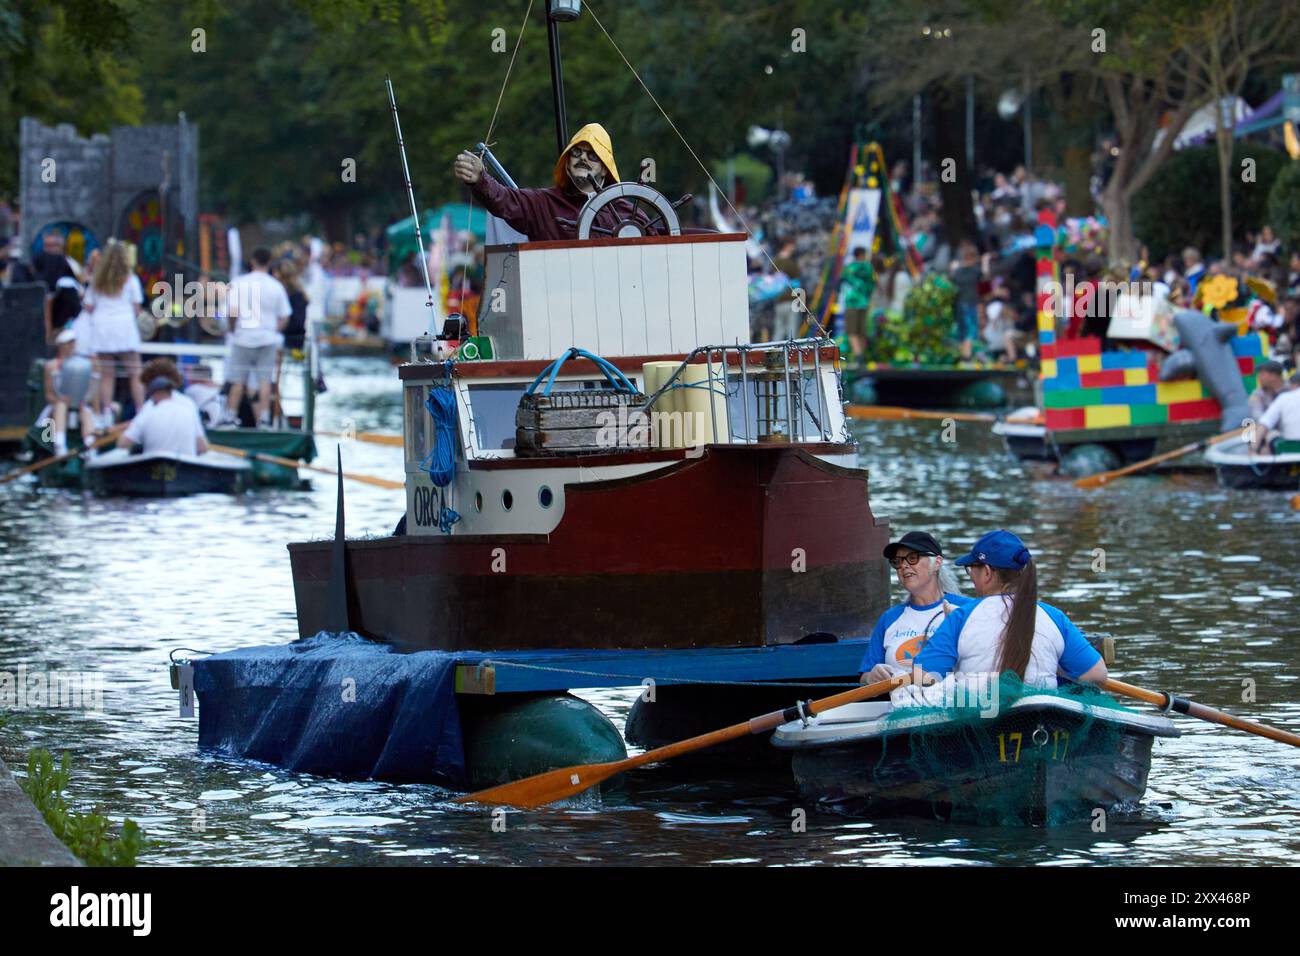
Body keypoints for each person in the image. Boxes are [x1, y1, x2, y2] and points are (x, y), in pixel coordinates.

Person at [911, 530, 1107, 689]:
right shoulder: (1053, 616)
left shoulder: (961, 617)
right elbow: (1096, 674)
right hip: (1045, 718)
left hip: (983, 721)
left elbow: (923, 677)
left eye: (971, 569)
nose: (970, 576)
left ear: (987, 572)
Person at [453, 124, 661, 242]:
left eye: (592, 155)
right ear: (567, 164)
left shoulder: (628, 213)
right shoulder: (542, 204)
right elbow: (505, 199)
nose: (583, 159)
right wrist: (481, 180)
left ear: (605, 167)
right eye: (576, 153)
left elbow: (663, 248)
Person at [859, 532, 973, 683]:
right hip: (901, 703)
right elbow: (864, 677)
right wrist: (870, 677)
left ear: (937, 563)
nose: (904, 566)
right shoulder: (889, 618)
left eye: (913, 558)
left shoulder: (967, 609)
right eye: (897, 561)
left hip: (956, 702)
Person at [221, 247, 291, 428]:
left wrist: (232, 329)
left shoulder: (238, 282)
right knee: (264, 380)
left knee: (238, 379)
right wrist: (273, 331)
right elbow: (285, 315)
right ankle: (265, 419)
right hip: (267, 338)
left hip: (243, 336)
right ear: (269, 262)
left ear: (252, 261)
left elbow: (232, 312)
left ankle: (230, 416)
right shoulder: (276, 286)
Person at [84, 239, 145, 419]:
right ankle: (140, 411)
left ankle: (106, 412)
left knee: (107, 373)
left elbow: (88, 306)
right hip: (124, 326)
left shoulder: (97, 279)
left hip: (102, 327)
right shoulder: (131, 279)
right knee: (135, 371)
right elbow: (137, 308)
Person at [117, 376, 208, 457]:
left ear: (153, 395)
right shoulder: (188, 411)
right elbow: (203, 447)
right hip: (185, 468)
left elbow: (122, 444)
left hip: (152, 467)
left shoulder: (147, 412)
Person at [41, 328, 96, 455]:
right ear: (61, 345)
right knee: (61, 406)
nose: (72, 345)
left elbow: (91, 388)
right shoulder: (51, 366)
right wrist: (61, 399)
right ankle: (59, 444)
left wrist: (82, 401)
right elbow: (49, 395)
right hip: (57, 407)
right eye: (68, 343)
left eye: (73, 342)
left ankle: (90, 447)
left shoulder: (84, 364)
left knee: (86, 413)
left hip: (79, 405)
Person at [839, 246, 875, 360]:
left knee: (852, 331)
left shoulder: (848, 268)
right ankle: (863, 356)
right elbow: (871, 285)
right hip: (864, 302)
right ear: (862, 254)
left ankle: (858, 355)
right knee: (862, 331)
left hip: (851, 302)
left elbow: (842, 281)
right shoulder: (868, 267)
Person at [1253, 380, 1300, 452]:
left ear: (1296, 385)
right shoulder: (1284, 397)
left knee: (1270, 437)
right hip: (1290, 449)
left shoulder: (1284, 398)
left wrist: (1253, 449)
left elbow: (1264, 425)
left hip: (1289, 450)